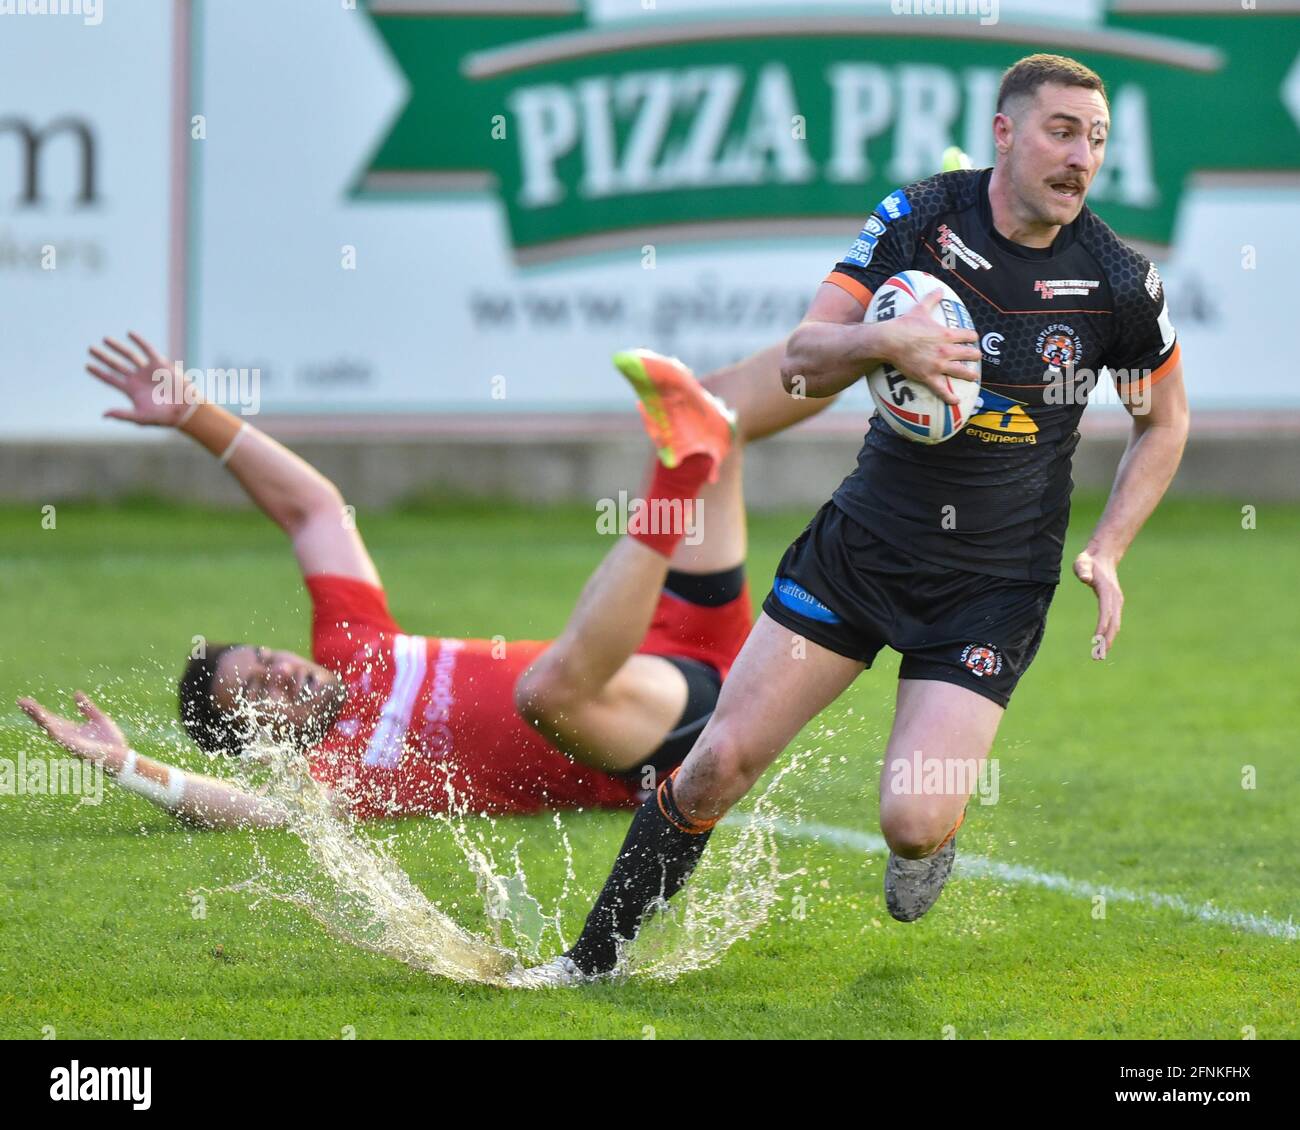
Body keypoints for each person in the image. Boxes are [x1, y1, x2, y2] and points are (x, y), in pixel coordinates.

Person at [547, 53, 1190, 982]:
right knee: (717, 763)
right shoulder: (922, 216)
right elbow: (806, 356)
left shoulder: (1116, 282)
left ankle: (936, 838)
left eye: (1095, 139)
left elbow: (1163, 419)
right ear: (1004, 132)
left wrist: (1110, 547)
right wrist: (883, 340)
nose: (1081, 157)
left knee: (912, 818)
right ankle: (588, 965)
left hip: (992, 588)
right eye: (1061, 131)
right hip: (860, 553)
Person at [18, 336, 833, 828]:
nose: (280, 671)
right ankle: (674, 475)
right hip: (662, 744)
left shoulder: (350, 642)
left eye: (263, 658)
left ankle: (947, 292)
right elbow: (253, 812)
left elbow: (314, 512)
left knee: (723, 409)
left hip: (671, 643)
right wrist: (131, 768)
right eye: (257, 694)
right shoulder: (341, 770)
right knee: (548, 693)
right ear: (260, 740)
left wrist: (196, 414)